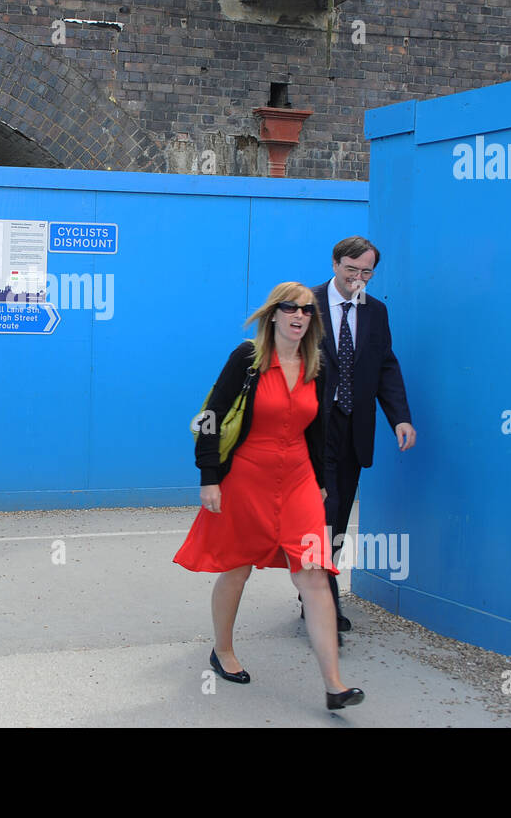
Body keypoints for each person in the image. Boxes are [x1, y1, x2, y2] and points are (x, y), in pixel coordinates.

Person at [175, 282, 364, 710]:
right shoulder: (248, 360)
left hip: (297, 478)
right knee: (237, 569)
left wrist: (320, 481)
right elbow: (210, 417)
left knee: (315, 574)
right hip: (246, 478)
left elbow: (319, 431)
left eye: (307, 311)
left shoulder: (318, 365)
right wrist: (209, 477)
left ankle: (334, 685)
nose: (299, 316)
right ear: (273, 314)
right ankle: (222, 649)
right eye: (290, 308)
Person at [312, 236, 416, 633]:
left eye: (366, 271)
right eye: (351, 269)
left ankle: (318, 591)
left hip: (355, 427)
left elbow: (385, 366)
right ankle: (323, 600)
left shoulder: (376, 312)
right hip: (314, 429)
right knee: (320, 512)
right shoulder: (306, 303)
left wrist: (400, 418)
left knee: (338, 516)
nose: (358, 278)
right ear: (335, 263)